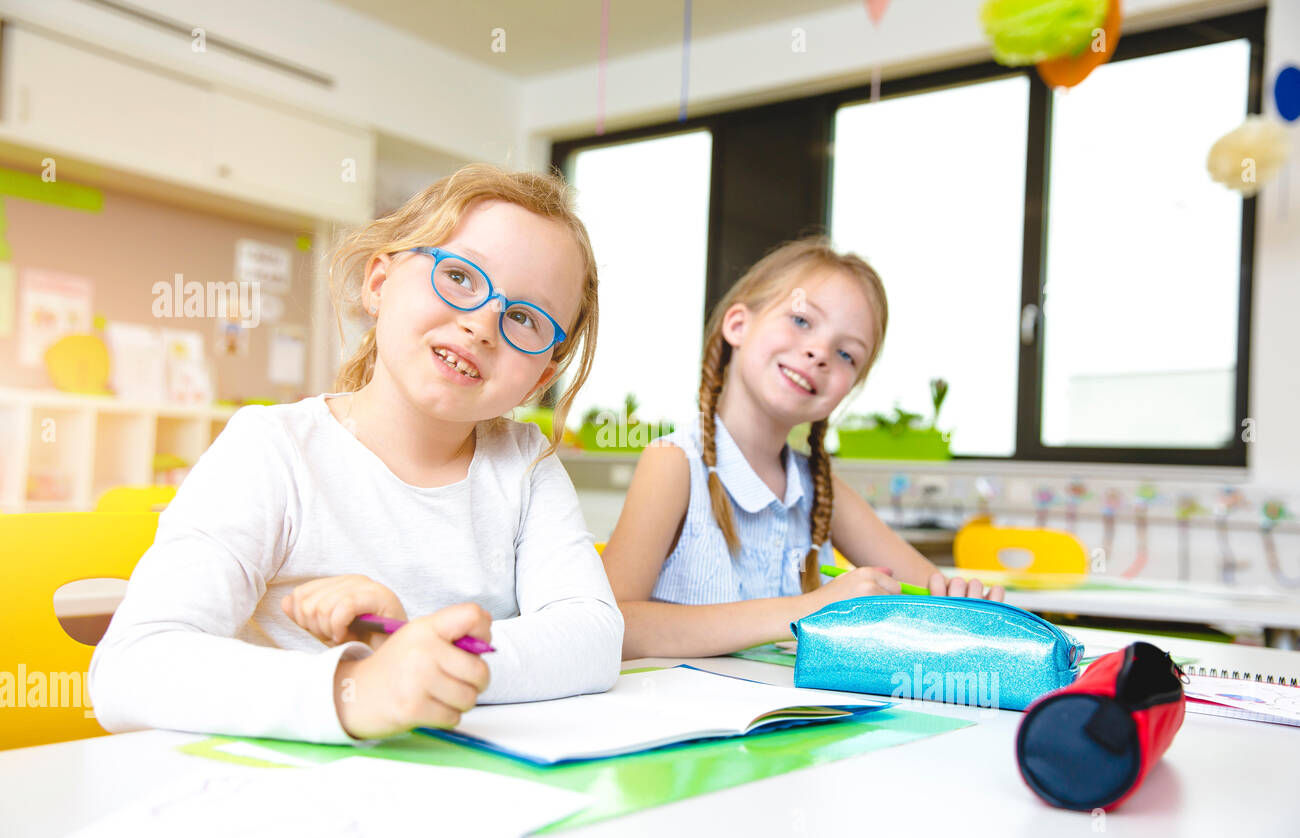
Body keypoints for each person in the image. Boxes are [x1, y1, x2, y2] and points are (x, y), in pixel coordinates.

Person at [90, 164, 622, 742]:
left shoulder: (526, 465)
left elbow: (591, 637)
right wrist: (356, 690)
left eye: (523, 316)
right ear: (378, 283)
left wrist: (408, 649)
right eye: (462, 277)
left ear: (541, 374)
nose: (482, 324)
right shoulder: (274, 448)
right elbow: (130, 667)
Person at [601, 237, 1004, 659]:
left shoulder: (821, 490)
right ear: (738, 324)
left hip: (794, 718)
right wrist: (807, 609)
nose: (819, 352)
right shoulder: (674, 465)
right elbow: (608, 626)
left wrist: (960, 607)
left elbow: (929, 594)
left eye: (847, 353)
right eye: (801, 320)